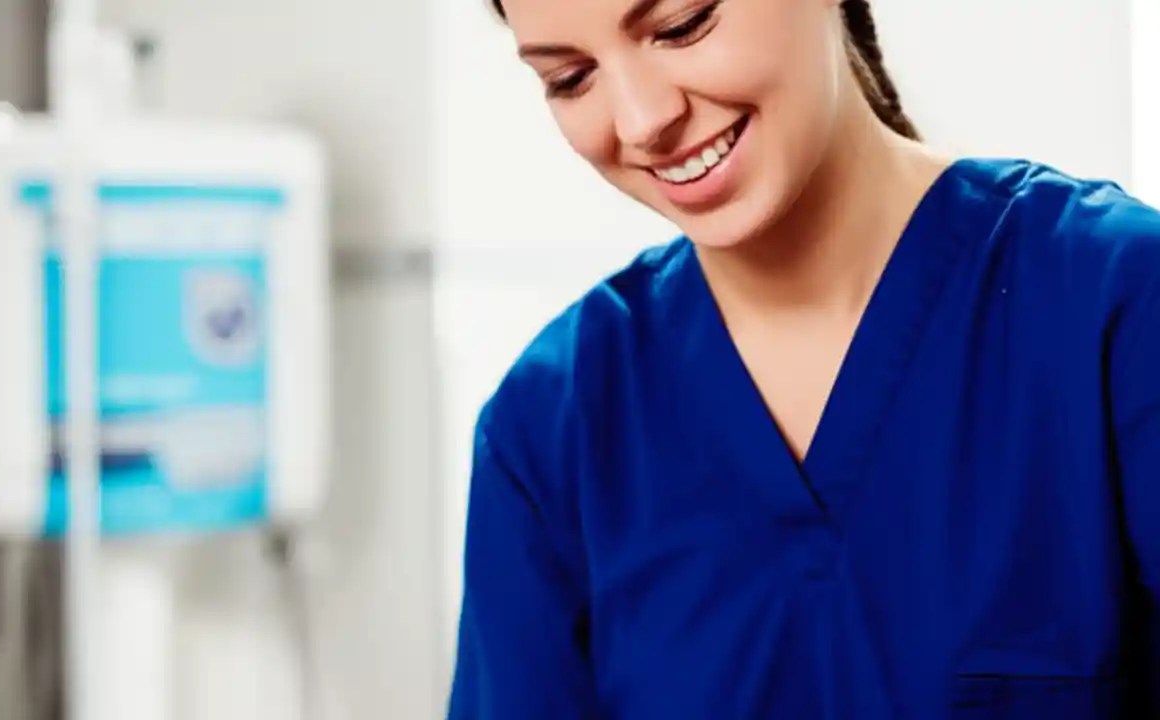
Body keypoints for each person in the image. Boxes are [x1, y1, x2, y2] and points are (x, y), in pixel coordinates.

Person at [446, 0, 1160, 717]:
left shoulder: (1114, 307)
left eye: (682, 25)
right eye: (571, 78)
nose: (641, 120)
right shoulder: (551, 429)